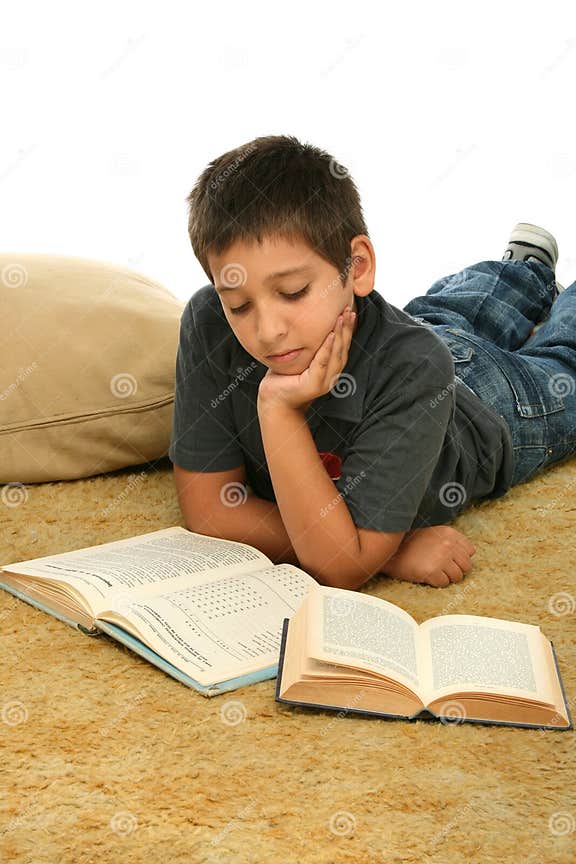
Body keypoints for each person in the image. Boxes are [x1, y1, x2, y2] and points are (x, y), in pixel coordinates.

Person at [169, 135, 576, 590]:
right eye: (240, 306)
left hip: (484, 402)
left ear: (357, 267)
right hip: (422, 335)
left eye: (293, 293)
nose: (268, 330)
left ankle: (527, 277)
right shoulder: (209, 321)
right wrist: (388, 553)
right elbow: (207, 509)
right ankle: (524, 269)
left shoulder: (415, 365)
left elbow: (340, 568)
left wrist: (278, 409)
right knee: (450, 312)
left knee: (564, 362)